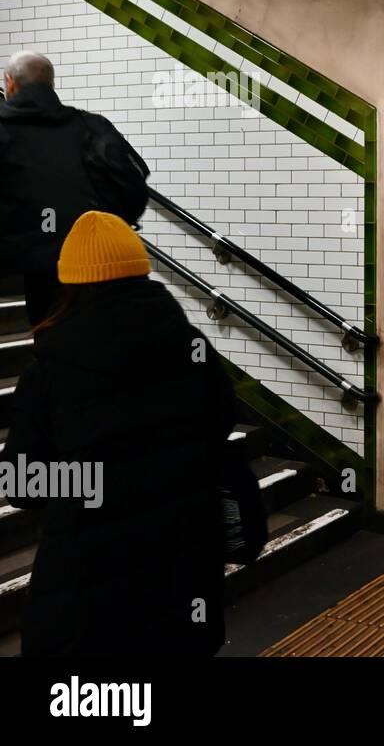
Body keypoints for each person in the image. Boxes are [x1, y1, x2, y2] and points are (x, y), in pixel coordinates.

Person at [0, 211, 233, 656]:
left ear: (70, 282)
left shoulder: (47, 372)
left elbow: (22, 484)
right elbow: (219, 424)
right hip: (179, 576)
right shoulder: (191, 347)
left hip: (87, 590)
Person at [0, 50, 149, 324]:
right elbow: (134, 184)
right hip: (94, 259)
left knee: (49, 336)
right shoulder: (90, 125)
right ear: (52, 84)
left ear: (9, 83)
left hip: (31, 264)